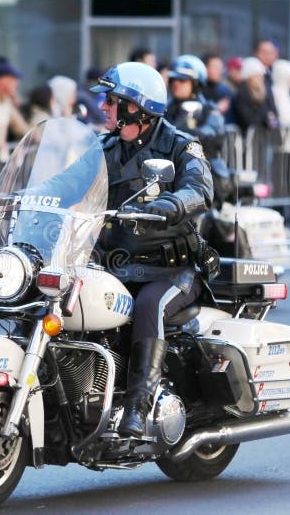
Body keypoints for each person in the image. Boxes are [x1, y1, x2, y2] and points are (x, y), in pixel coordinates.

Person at [89, 62, 213, 438]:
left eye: (111, 101)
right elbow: (68, 182)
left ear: (136, 108)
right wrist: (28, 195)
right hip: (116, 265)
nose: (103, 108)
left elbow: (200, 188)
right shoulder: (104, 147)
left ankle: (138, 407)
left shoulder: (179, 145)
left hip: (169, 268)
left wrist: (171, 205)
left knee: (149, 306)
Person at [164, 54, 225, 160]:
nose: (176, 84)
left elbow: (214, 132)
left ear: (196, 84)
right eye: (174, 80)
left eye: (182, 81)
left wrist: (192, 134)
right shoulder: (165, 108)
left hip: (201, 165)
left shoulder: (208, 109)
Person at [230, 56, 279, 134]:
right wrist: (265, 118)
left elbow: (274, 111)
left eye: (261, 76)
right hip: (248, 136)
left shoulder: (266, 90)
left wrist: (270, 118)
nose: (261, 79)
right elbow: (247, 118)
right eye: (257, 76)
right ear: (249, 77)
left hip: (264, 138)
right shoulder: (242, 93)